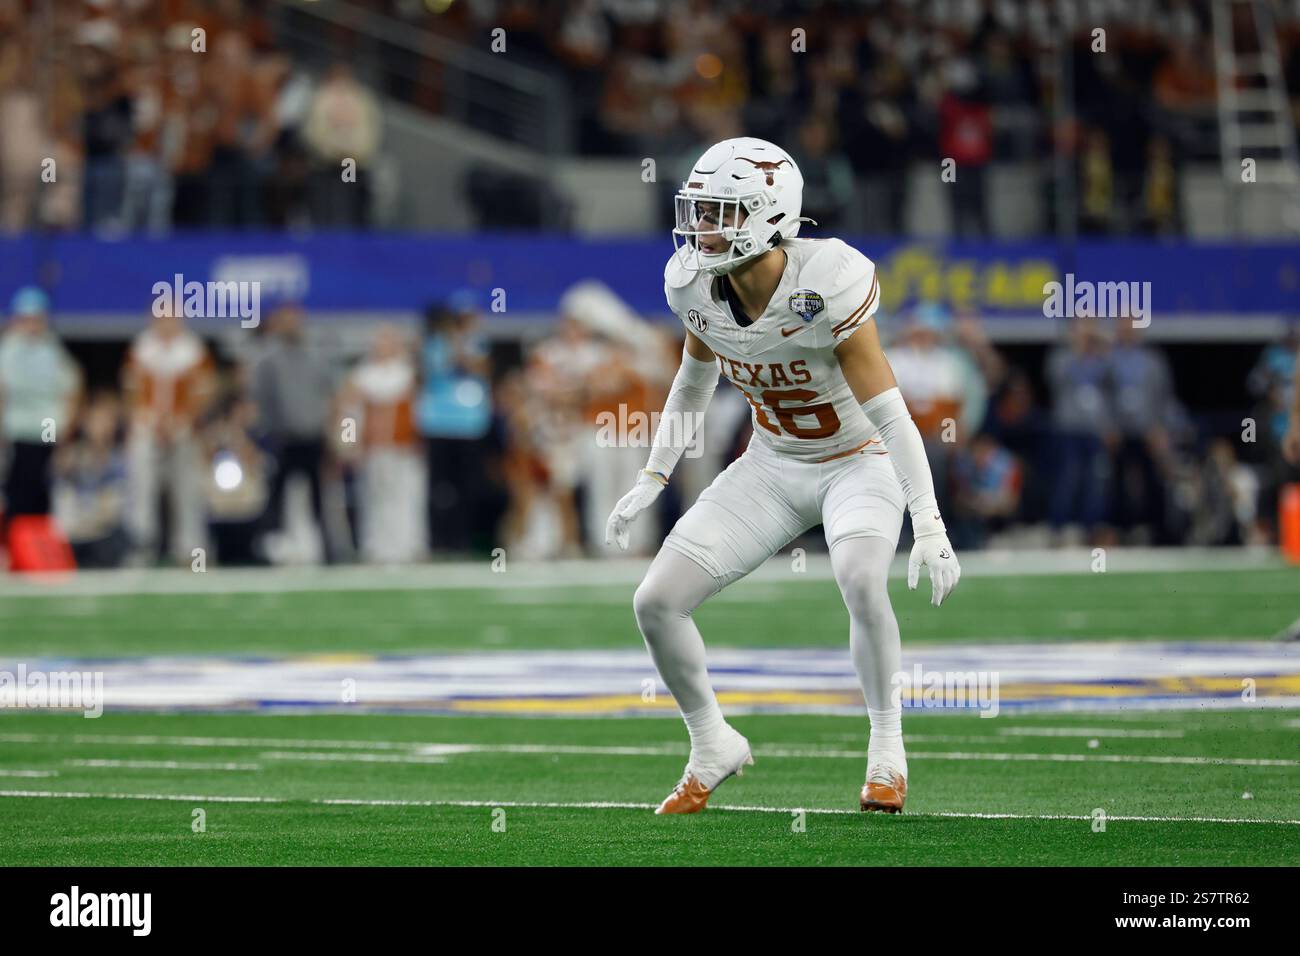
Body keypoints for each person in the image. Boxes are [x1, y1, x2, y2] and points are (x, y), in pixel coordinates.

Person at [605, 137, 960, 816]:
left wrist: (931, 524)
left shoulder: (826, 281)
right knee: (654, 602)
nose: (703, 227)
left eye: (722, 212)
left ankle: (888, 749)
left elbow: (891, 417)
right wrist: (654, 474)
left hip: (859, 461)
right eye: (700, 210)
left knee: (859, 577)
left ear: (771, 215)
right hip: (772, 463)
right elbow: (693, 378)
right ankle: (712, 742)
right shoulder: (692, 283)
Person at [0, 288, 82, 531]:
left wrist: (65, 432)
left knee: (43, 486)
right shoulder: (8, 350)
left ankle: (39, 543)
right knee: (16, 487)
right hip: (15, 429)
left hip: (46, 428)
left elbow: (71, 388)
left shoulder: (52, 350)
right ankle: (14, 540)